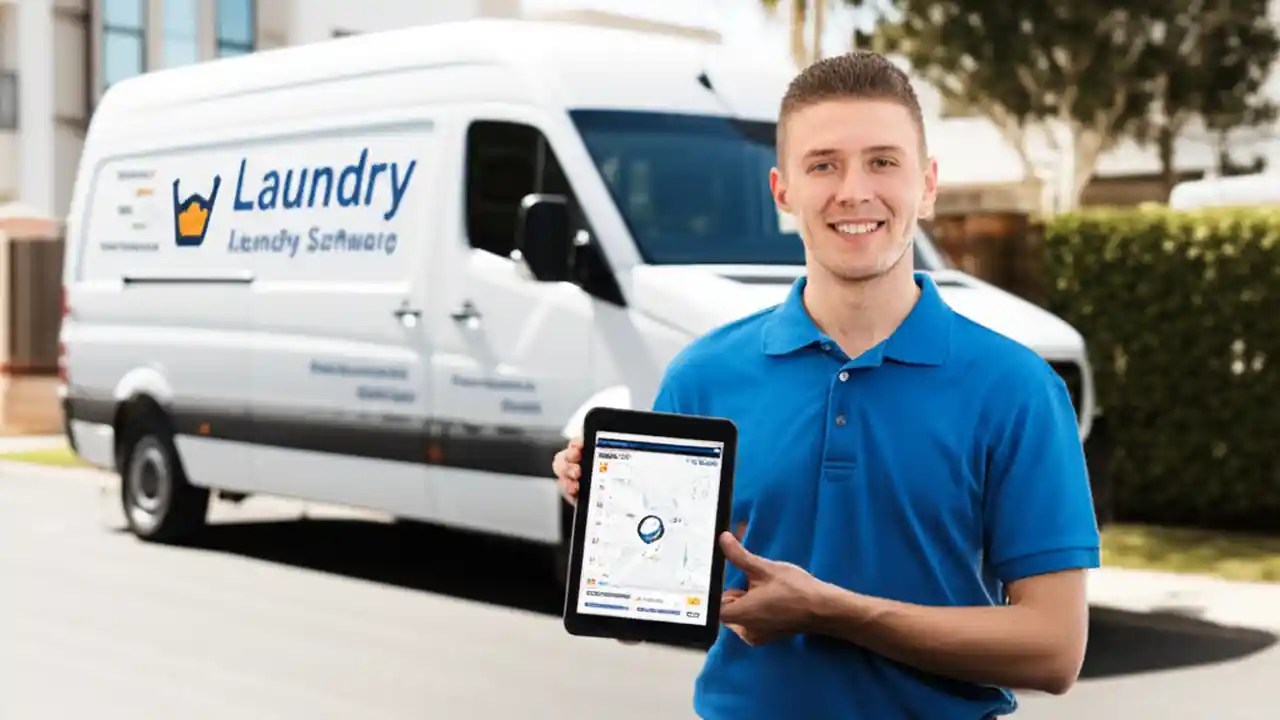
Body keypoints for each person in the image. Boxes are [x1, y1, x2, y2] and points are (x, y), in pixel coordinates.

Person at [552, 50, 1099, 719]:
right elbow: (643, 615)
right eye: (824, 165)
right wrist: (609, 522)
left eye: (883, 161)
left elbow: (1053, 650)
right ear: (783, 192)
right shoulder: (703, 375)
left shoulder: (1018, 389)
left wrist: (832, 611)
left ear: (926, 185)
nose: (853, 190)